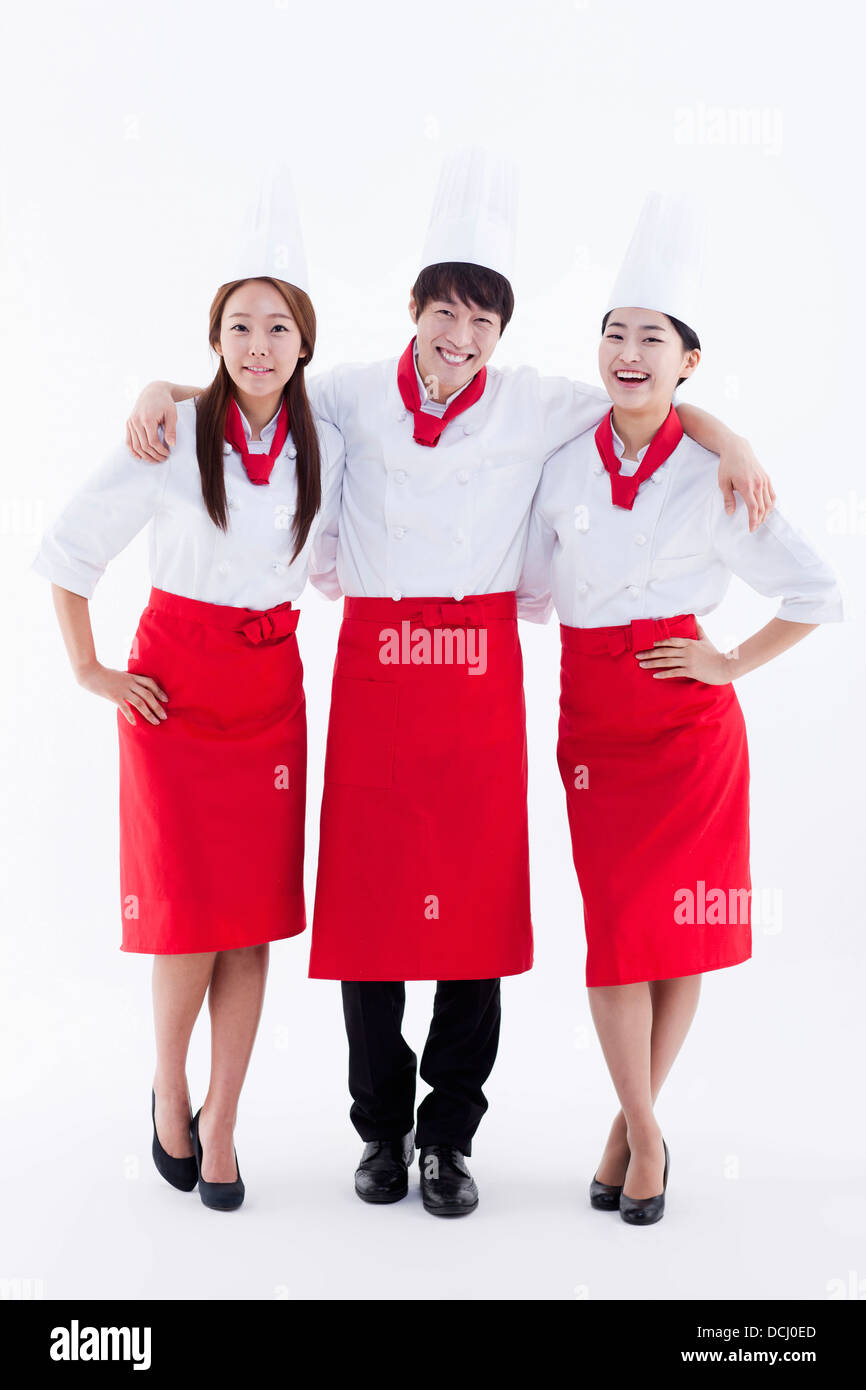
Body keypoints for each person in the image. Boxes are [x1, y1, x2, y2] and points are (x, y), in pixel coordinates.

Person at [123, 151, 774, 1218]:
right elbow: (248, 384)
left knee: (476, 921)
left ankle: (448, 1136)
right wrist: (162, 389)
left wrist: (730, 434)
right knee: (368, 919)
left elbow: (642, 398)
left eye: (482, 322)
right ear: (413, 309)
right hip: (375, 674)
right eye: (444, 313)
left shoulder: (534, 405)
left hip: (478, 680)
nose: (458, 340)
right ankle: (379, 1134)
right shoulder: (340, 397)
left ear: (500, 335)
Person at [517, 192, 845, 1225]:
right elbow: (529, 580)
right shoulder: (564, 450)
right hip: (591, 723)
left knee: (674, 936)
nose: (626, 352)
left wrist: (731, 659)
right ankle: (648, 1128)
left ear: (685, 360)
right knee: (616, 931)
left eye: (650, 338)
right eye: (613, 334)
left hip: (688, 727)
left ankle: (630, 1128)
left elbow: (816, 592)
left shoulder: (715, 475)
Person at [31, 169, 344, 1212]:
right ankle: (168, 1087)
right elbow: (70, 551)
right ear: (214, 339)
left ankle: (223, 1117)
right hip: (173, 694)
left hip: (270, 694)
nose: (257, 345)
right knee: (185, 918)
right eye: (238, 326)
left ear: (304, 341)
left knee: (250, 921)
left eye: (276, 327)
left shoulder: (328, 445)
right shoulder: (169, 434)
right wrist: (88, 667)